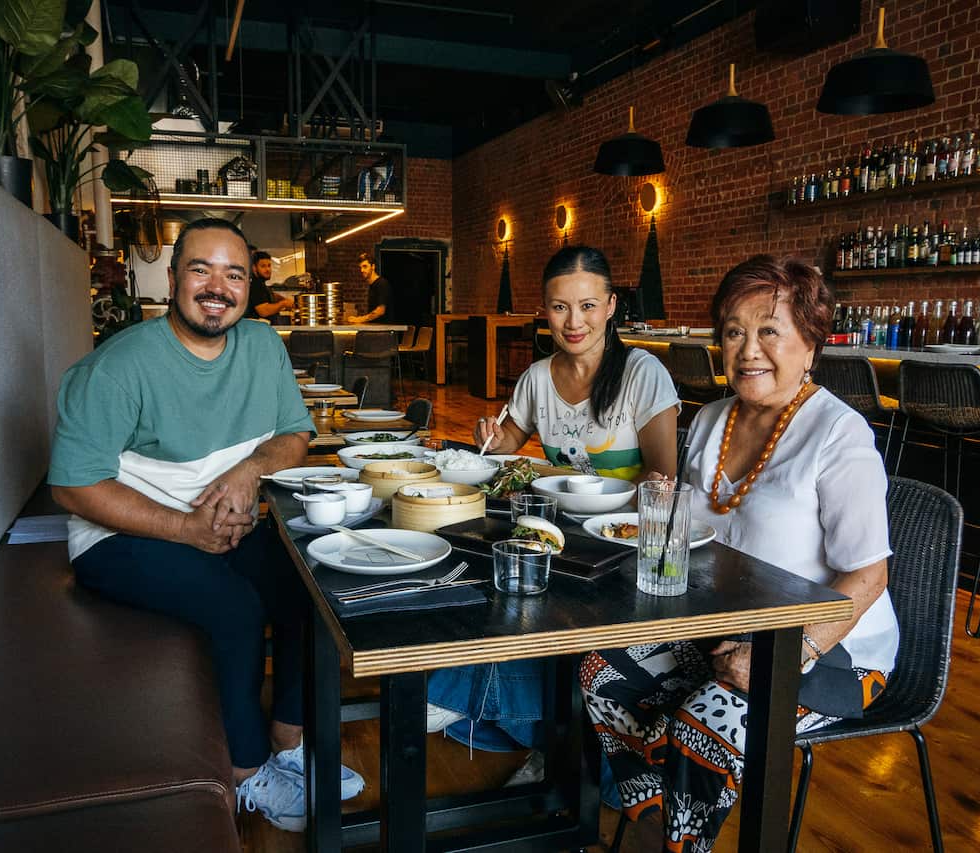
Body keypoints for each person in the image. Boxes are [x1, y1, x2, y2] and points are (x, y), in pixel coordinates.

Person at [48, 219, 363, 834]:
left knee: (313, 579)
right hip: (121, 536)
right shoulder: (120, 366)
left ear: (249, 286)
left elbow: (296, 435)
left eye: (235, 273)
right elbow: (73, 484)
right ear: (171, 280)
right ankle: (247, 773)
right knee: (236, 608)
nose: (217, 287)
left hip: (227, 528)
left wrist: (250, 471)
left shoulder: (263, 347)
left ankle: (290, 739)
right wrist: (186, 528)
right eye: (201, 269)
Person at [579, 255, 898, 852]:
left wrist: (788, 656)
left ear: (810, 344)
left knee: (709, 718)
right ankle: (655, 816)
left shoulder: (839, 433)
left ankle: (679, 843)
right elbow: (683, 521)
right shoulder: (711, 419)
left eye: (769, 330)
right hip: (724, 623)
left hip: (832, 648)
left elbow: (869, 575)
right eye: (733, 331)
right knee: (602, 668)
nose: (748, 349)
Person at [426, 245, 681, 779]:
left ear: (611, 306)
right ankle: (539, 734)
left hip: (619, 545)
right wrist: (490, 440)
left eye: (588, 306)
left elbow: (662, 478)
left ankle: (458, 693)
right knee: (488, 575)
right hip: (558, 537)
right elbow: (506, 449)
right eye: (560, 307)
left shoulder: (642, 373)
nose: (574, 321)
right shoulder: (539, 376)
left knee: (530, 601)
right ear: (544, 309)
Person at [244, 249, 295, 323]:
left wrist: (280, 298)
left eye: (269, 265)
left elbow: (264, 296)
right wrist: (283, 304)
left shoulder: (259, 283)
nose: (267, 269)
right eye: (263, 266)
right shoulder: (255, 284)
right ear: (254, 268)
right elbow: (264, 311)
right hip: (257, 329)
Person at [345, 251, 390, 324]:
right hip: (377, 330)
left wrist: (360, 319)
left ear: (373, 267)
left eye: (365, 266)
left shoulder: (382, 284)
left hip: (384, 332)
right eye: (361, 267)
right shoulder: (372, 285)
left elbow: (380, 311)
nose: (362, 270)